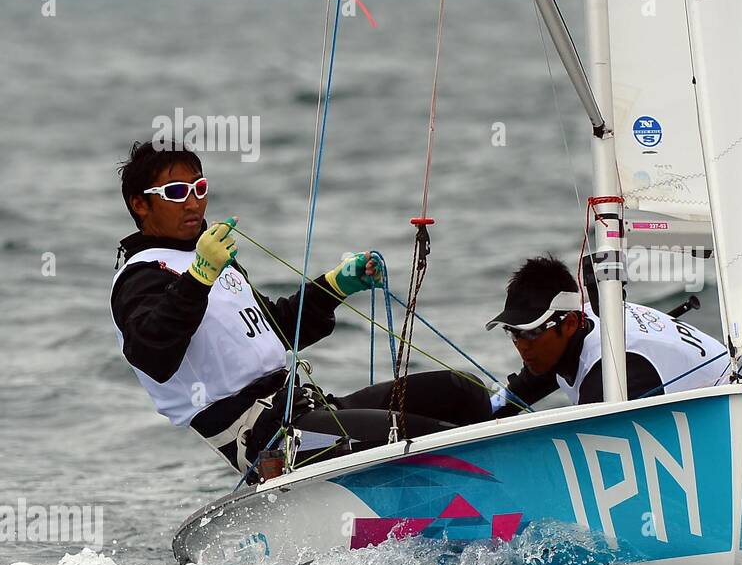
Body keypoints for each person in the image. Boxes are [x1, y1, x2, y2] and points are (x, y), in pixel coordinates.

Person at [111, 140, 490, 475]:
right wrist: (201, 276)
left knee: (462, 393)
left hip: (305, 407)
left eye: (199, 187)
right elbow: (152, 354)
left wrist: (336, 285)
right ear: (140, 204)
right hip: (266, 439)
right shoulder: (140, 277)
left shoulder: (208, 256)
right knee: (425, 436)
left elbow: (277, 328)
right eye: (177, 192)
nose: (194, 202)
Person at [485, 254, 729, 416]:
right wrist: (479, 413)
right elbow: (515, 395)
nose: (522, 346)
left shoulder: (611, 373)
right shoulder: (572, 331)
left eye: (532, 332)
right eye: (513, 333)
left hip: (731, 414)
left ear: (569, 323)